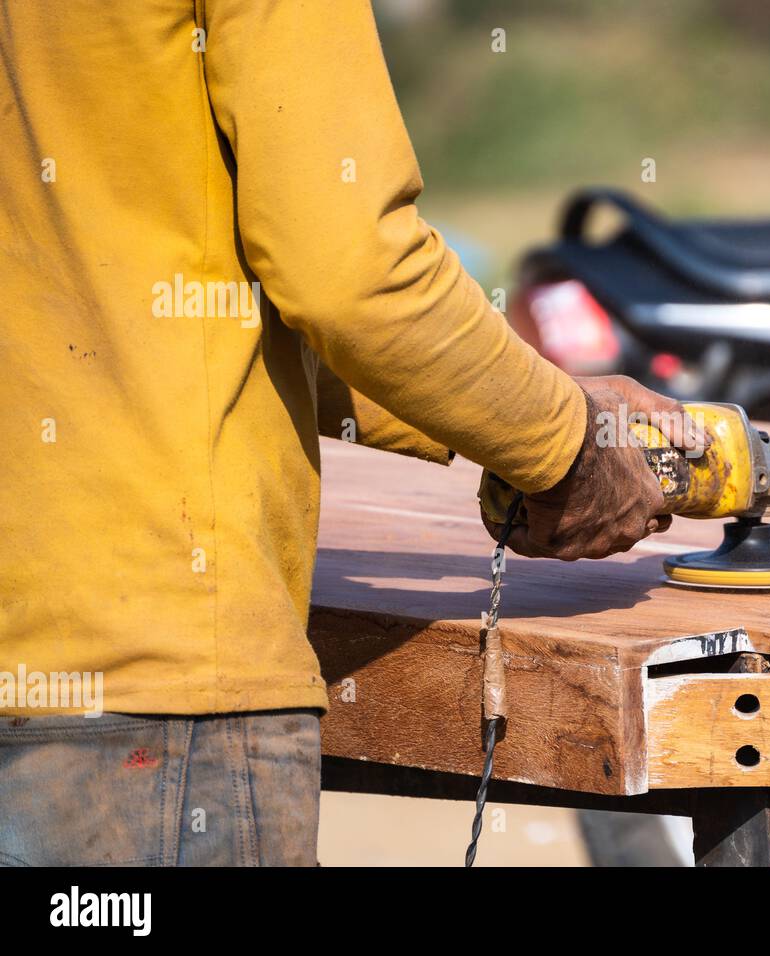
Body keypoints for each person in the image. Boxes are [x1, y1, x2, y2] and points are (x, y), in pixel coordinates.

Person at [0, 0, 696, 866]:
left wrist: (516, 405)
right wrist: (565, 442)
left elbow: (161, 292)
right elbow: (350, 278)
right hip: (152, 680)